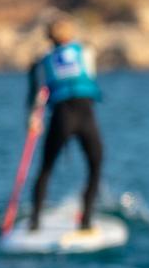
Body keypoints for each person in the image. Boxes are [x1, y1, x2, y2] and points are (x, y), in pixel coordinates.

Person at [26, 16, 105, 233]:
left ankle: (34, 221)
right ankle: (86, 221)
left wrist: (33, 119)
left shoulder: (43, 61)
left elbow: (37, 95)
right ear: (71, 34)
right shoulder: (85, 52)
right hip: (86, 115)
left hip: (61, 117)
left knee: (46, 168)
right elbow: (90, 75)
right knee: (95, 166)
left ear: (49, 38)